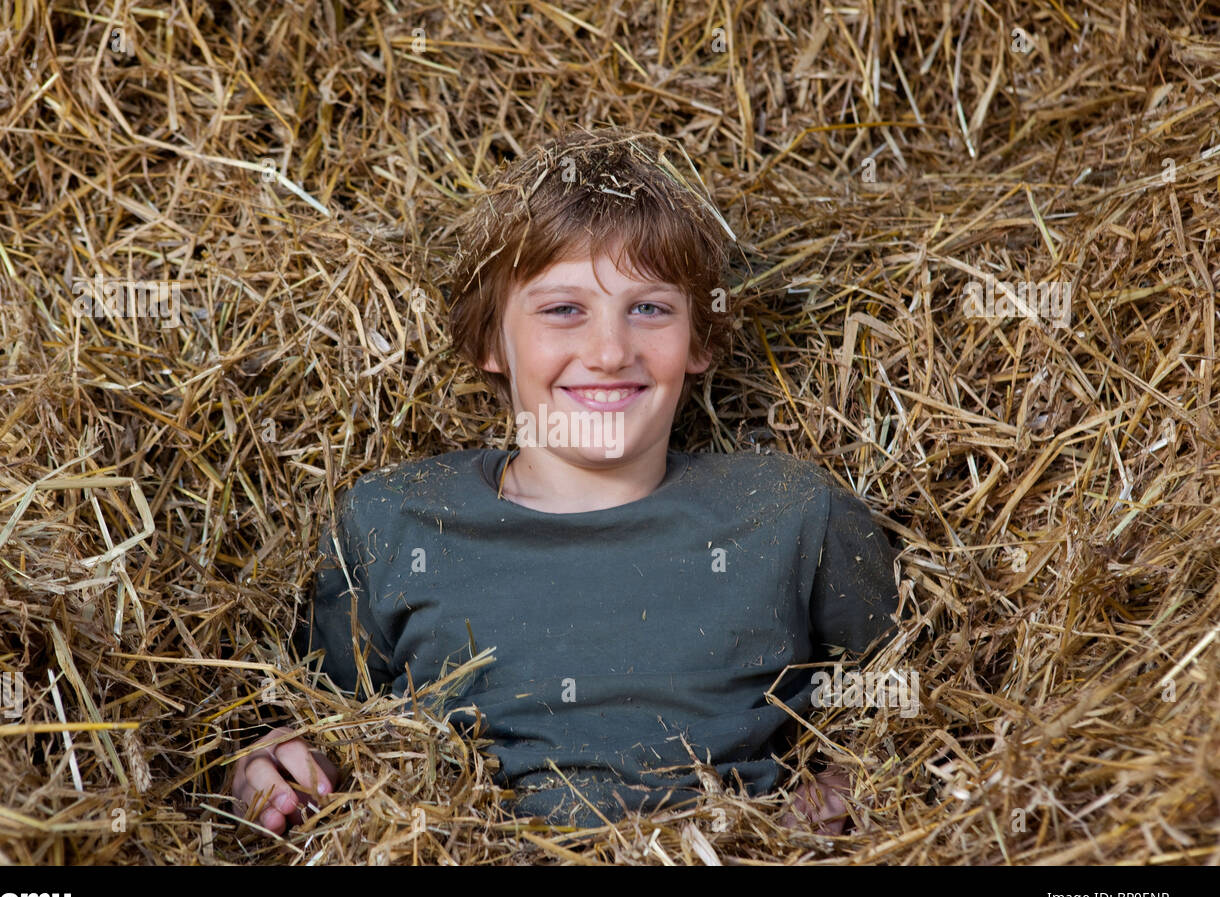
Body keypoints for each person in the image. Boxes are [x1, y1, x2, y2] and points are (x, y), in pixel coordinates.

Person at [230, 126, 900, 836]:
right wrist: (269, 766)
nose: (610, 351)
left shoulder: (789, 515)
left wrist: (855, 777)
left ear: (699, 340)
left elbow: (926, 702)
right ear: (489, 340)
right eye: (562, 310)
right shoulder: (394, 521)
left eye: (649, 308)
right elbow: (310, 728)